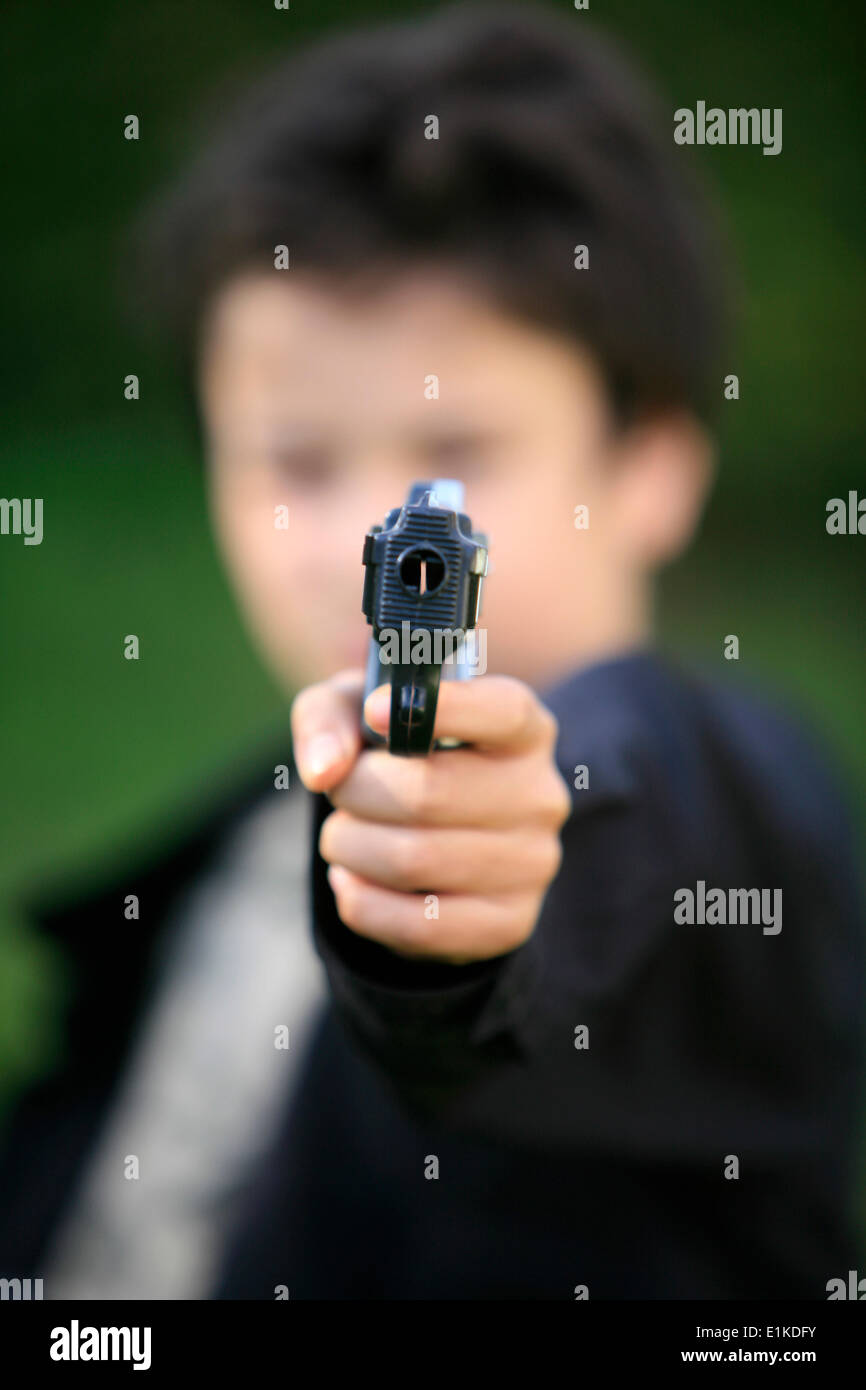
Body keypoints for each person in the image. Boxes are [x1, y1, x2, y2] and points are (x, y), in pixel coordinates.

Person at [0, 1, 862, 1300]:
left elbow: (624, 817)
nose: (379, 529)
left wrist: (474, 906)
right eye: (295, 458)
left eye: (458, 455)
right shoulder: (244, 838)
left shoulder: (716, 802)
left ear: (652, 462)